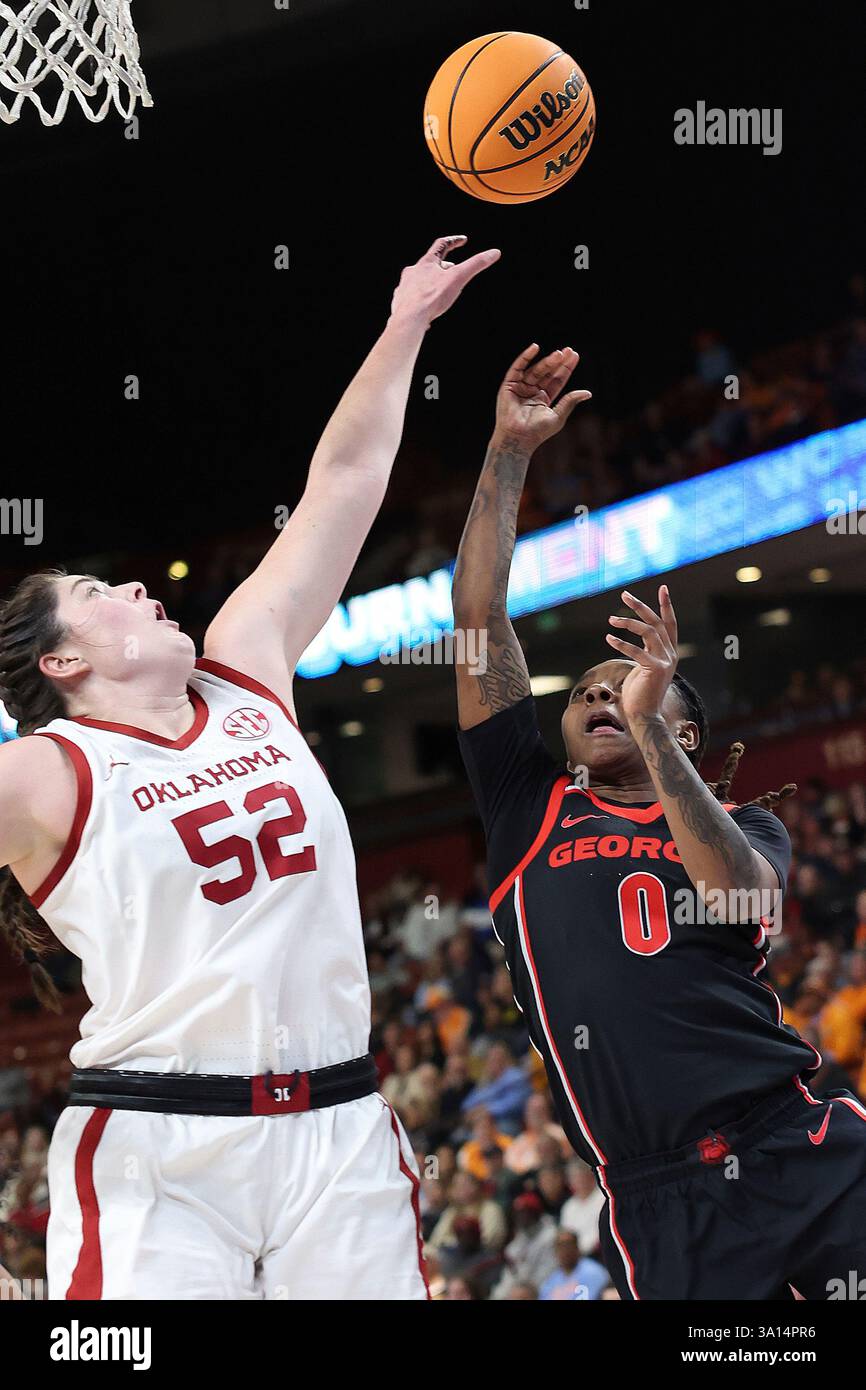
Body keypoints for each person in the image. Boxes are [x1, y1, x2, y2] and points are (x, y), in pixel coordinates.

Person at [0, 233, 500, 1302]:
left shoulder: (246, 670)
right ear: (62, 660)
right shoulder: (46, 772)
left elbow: (346, 479)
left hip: (340, 1129)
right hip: (160, 1147)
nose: (136, 590)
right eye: (99, 592)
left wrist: (403, 323)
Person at [451, 342, 866, 1300]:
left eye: (627, 690)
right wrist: (510, 451)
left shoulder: (744, 825)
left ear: (684, 725)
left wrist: (650, 727)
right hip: (657, 1192)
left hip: (796, 1135)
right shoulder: (529, 806)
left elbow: (738, 903)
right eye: (585, 691)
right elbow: (476, 612)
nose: (602, 695)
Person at [537, 1230, 609, 1301]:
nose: (564, 1251)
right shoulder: (552, 1279)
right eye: (560, 1247)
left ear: (577, 1248)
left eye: (568, 1245)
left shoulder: (593, 1272)